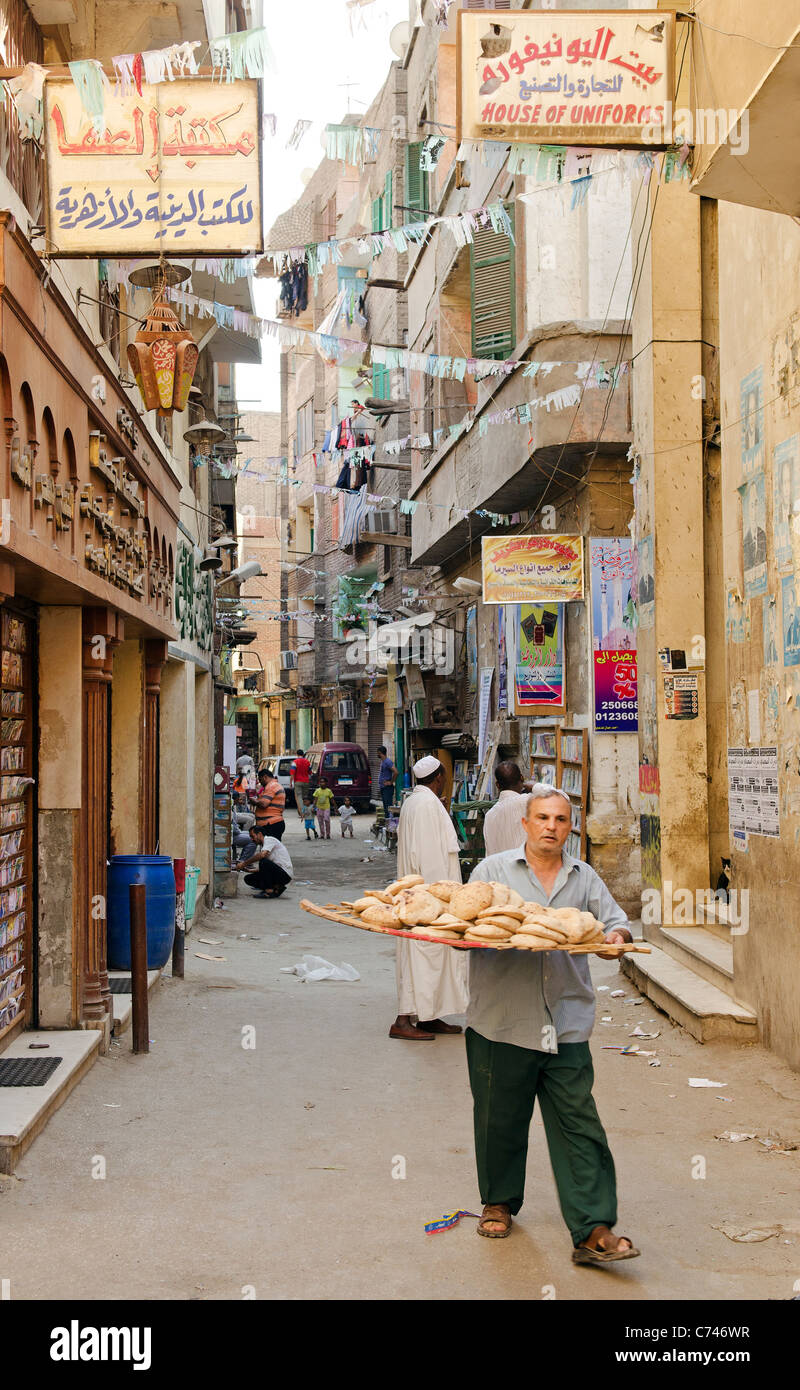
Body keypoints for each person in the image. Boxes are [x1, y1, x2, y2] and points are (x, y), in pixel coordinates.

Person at [463, 784, 638, 1264]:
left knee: (579, 1123)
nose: (551, 828)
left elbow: (616, 923)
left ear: (569, 826)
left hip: (566, 1019)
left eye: (560, 820)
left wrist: (616, 937)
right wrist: (464, 938)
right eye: (542, 818)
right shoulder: (492, 872)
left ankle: (593, 1226)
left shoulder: (583, 877)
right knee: (500, 1118)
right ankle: (498, 1201)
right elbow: (462, 927)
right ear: (526, 822)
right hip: (503, 1019)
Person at [392, 755, 469, 1041]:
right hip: (427, 897)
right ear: (438, 778)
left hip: (424, 893)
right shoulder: (425, 805)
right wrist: (442, 896)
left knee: (434, 955)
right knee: (423, 955)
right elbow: (428, 856)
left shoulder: (418, 801)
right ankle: (403, 1019)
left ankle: (429, 1016)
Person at [482, 760, 531, 856]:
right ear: (521, 778)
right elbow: (562, 798)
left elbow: (489, 854)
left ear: (497, 785)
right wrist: (535, 786)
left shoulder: (489, 816)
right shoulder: (528, 801)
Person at [236, 827, 293, 899]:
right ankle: (277, 887)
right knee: (249, 878)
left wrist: (243, 864)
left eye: (252, 836)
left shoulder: (269, 840)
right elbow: (266, 869)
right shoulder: (264, 845)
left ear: (259, 834)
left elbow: (262, 856)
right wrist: (250, 870)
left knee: (263, 860)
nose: (252, 839)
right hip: (278, 873)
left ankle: (269, 891)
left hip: (285, 875)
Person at [253, 767, 286, 841]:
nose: (260, 782)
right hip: (272, 823)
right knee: (271, 849)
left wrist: (253, 801)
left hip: (271, 824)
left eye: (260, 780)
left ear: (265, 777)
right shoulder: (273, 786)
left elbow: (264, 804)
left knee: (269, 850)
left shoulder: (271, 786)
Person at [377, 745, 397, 819]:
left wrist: (391, 782)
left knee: (388, 808)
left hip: (387, 788)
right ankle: (387, 823)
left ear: (380, 753)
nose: (377, 754)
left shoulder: (387, 761)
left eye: (378, 753)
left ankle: (390, 823)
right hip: (383, 787)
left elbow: (396, 772)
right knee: (386, 808)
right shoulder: (383, 762)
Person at [290, 749, 311, 817]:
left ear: (297, 754)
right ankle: (305, 811)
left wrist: (291, 782)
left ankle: (302, 812)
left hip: (298, 781)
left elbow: (292, 773)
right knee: (305, 797)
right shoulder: (307, 762)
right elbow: (310, 772)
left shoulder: (295, 762)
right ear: (303, 754)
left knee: (299, 797)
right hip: (306, 781)